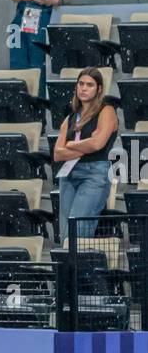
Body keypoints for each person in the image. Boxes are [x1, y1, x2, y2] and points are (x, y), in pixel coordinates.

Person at [53, 67, 118, 239]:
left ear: (99, 89)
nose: (83, 88)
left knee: (77, 233)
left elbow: (97, 144)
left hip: (94, 173)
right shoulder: (71, 117)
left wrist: (71, 144)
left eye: (89, 85)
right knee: (66, 235)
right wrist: (84, 146)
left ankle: (79, 266)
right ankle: (68, 266)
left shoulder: (107, 110)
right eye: (80, 84)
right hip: (68, 175)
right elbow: (58, 154)